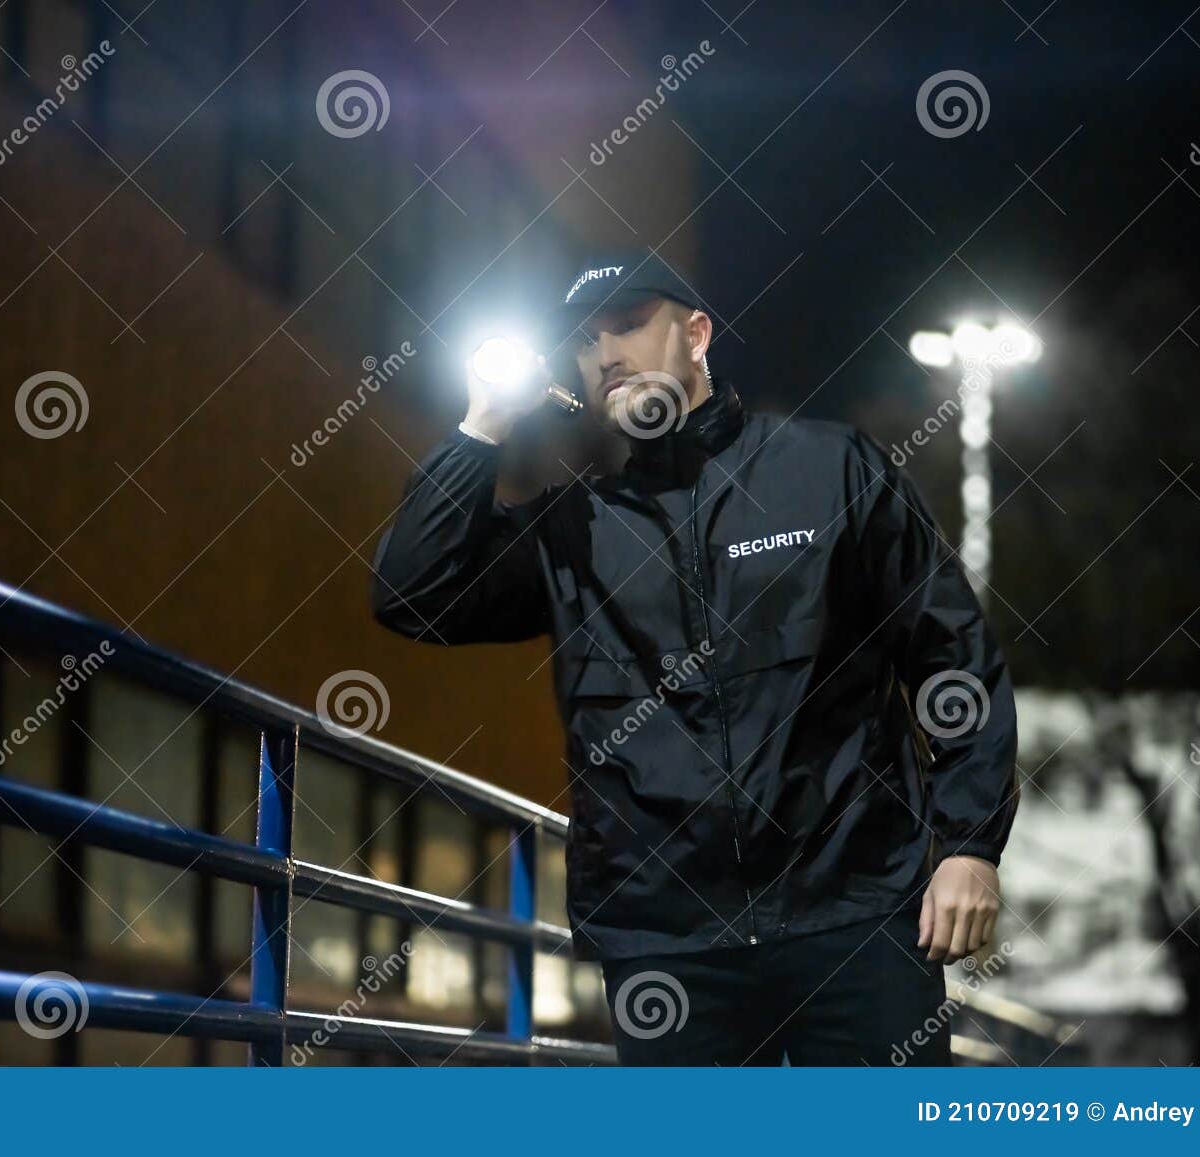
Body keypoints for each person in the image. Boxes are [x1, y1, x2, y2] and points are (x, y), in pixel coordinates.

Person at [369, 248, 1020, 1065]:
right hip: (667, 944)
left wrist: (969, 844)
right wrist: (482, 429)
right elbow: (413, 594)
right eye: (586, 340)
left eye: (630, 323)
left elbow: (952, 652)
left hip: (853, 915)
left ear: (698, 334)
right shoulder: (574, 532)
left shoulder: (829, 470)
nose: (606, 352)